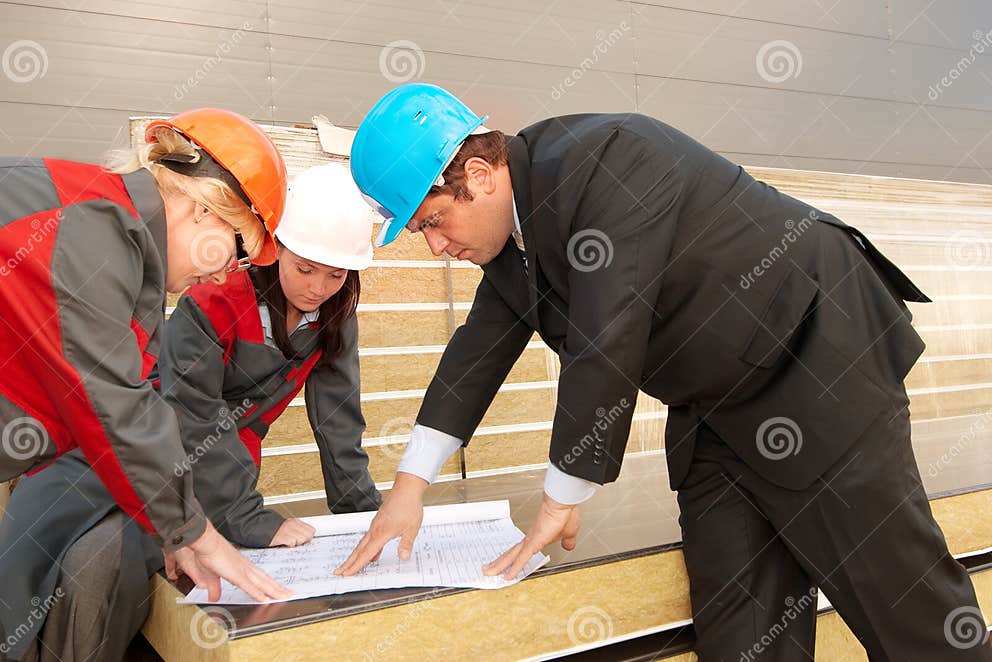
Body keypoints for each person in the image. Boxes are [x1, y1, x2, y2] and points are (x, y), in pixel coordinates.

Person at [336, 83, 992, 660]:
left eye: (432, 221)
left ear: (478, 174)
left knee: (904, 609)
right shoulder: (514, 242)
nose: (437, 246)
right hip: (714, 409)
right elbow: (475, 354)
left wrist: (561, 496)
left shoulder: (610, 159)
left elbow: (607, 331)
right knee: (741, 628)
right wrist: (408, 487)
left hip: (815, 360)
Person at [0, 162, 381, 661]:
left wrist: (363, 518)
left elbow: (339, 421)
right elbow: (188, 414)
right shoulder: (213, 297)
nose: (317, 288)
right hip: (130, 448)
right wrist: (245, 519)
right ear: (275, 251)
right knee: (55, 562)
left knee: (137, 569)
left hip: (195, 473)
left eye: (336, 274)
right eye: (305, 267)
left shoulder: (334, 321)